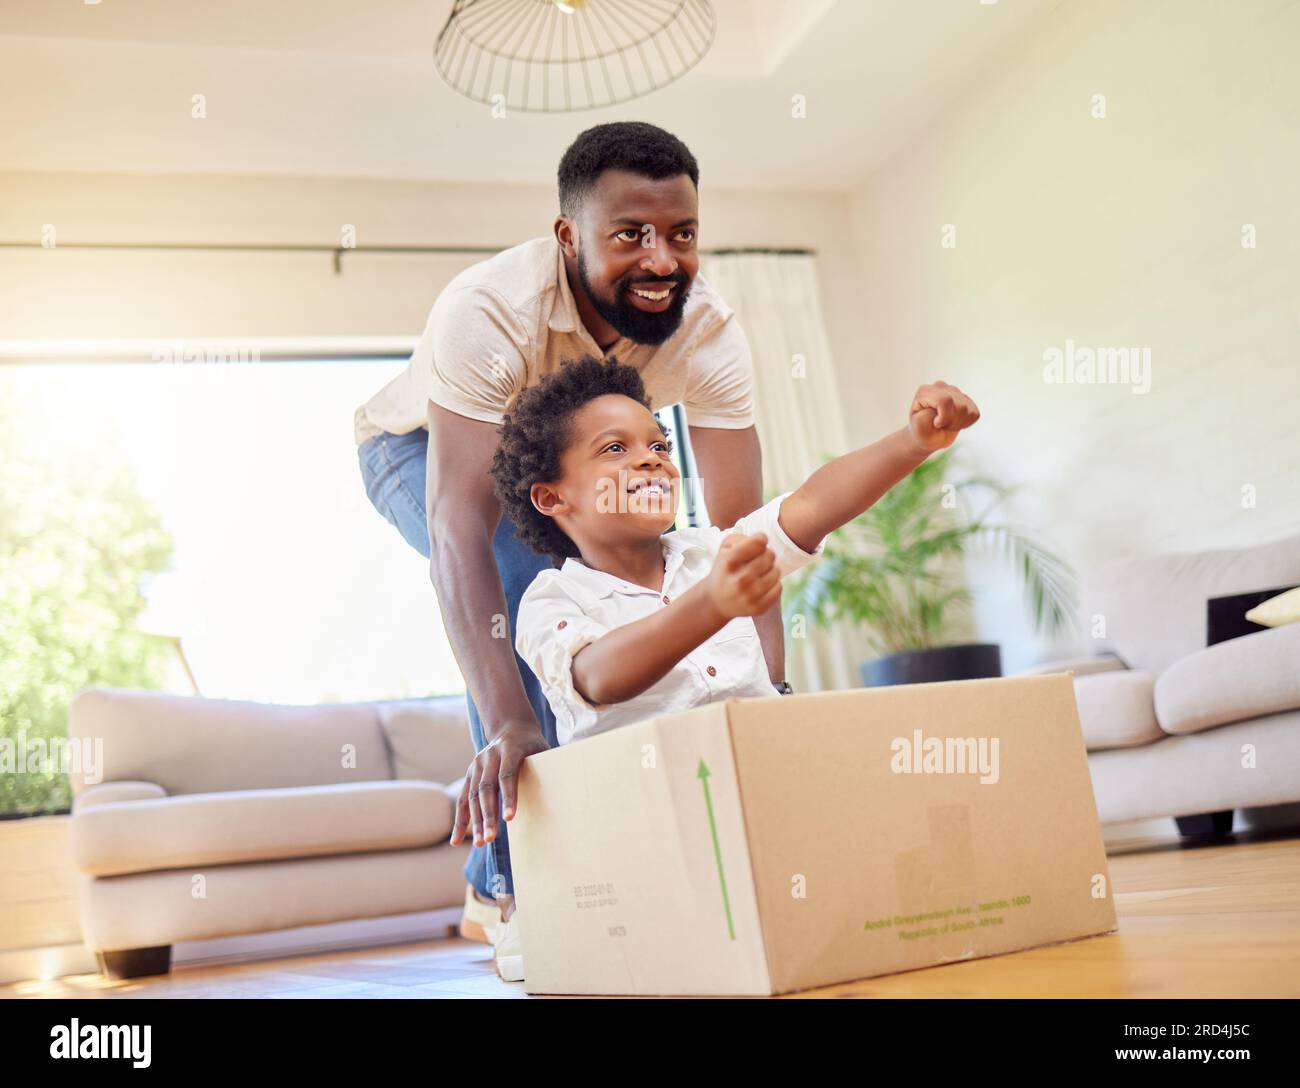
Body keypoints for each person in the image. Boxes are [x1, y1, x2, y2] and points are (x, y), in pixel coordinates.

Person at [354, 122, 785, 973]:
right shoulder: (488, 311)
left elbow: (742, 541)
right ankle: (511, 886)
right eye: (630, 235)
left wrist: (768, 690)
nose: (662, 260)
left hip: (570, 461)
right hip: (416, 451)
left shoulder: (710, 334)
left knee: (643, 594)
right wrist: (513, 722)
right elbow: (457, 527)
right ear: (569, 236)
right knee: (536, 589)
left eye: (682, 234)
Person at [483, 355, 979, 977]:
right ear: (552, 495)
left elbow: (813, 504)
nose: (651, 458)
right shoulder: (553, 600)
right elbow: (599, 676)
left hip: (765, 795)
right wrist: (711, 605)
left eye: (659, 443)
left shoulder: (710, 550)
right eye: (616, 448)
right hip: (651, 824)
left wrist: (913, 442)